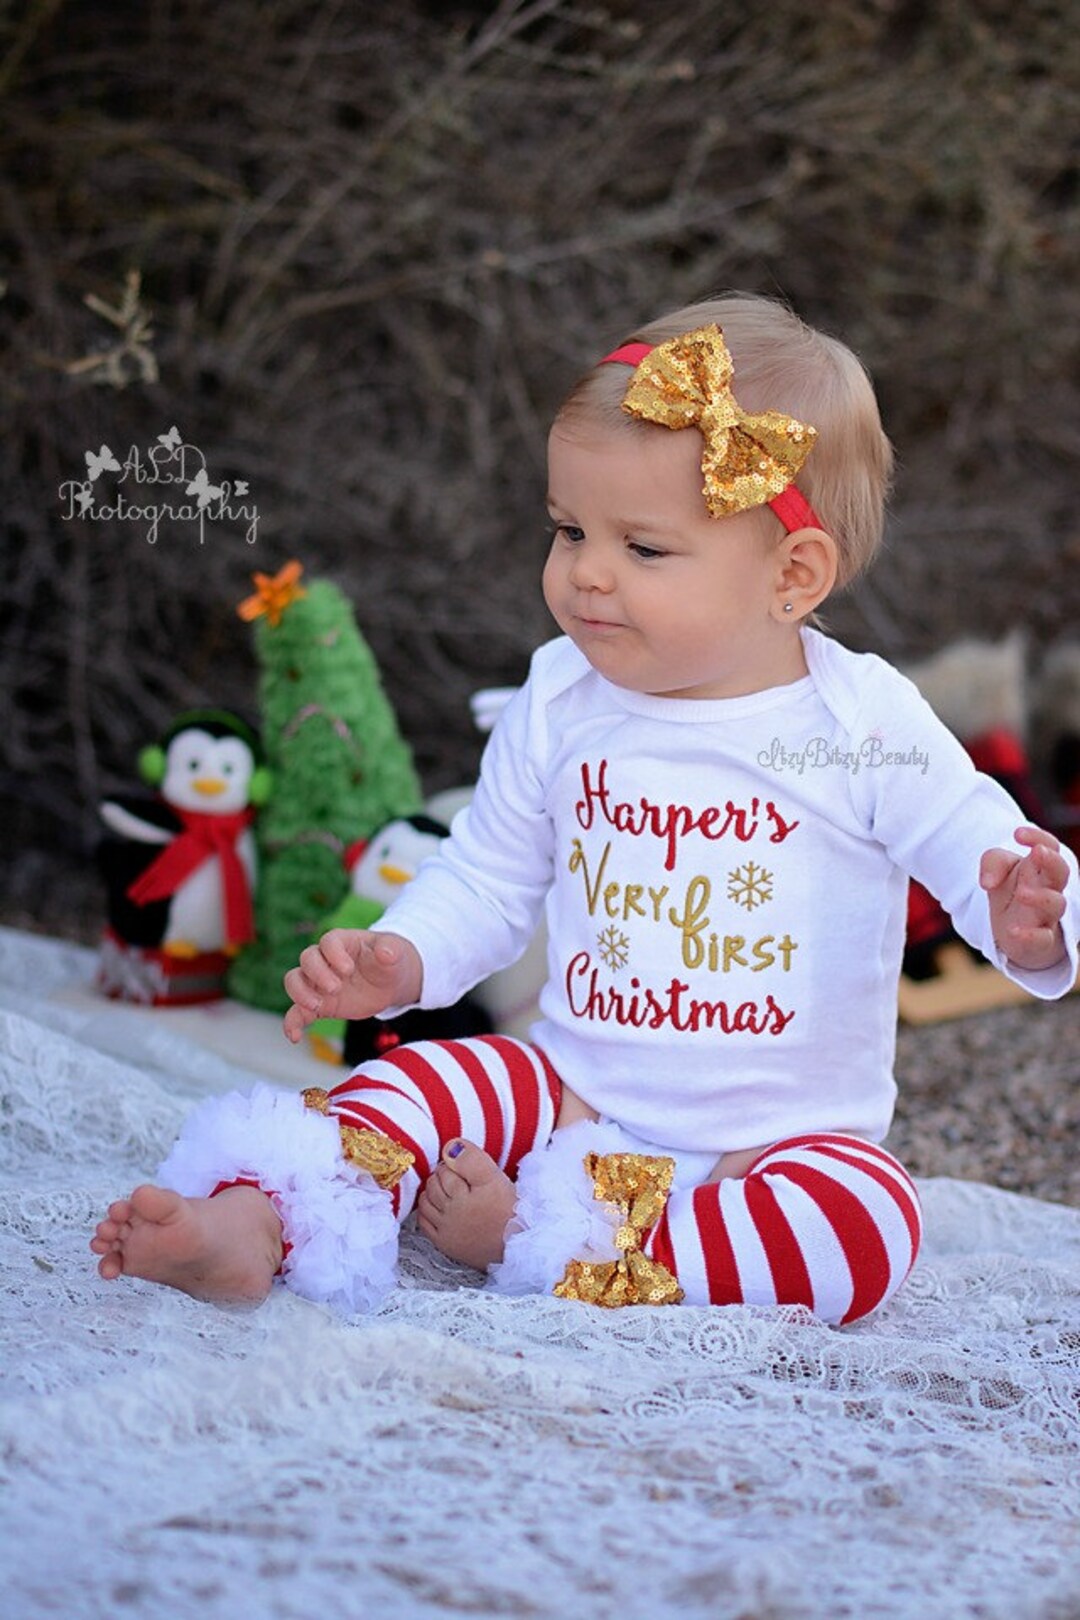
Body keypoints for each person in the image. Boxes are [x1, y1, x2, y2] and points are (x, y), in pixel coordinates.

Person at [92, 295, 1079, 1324]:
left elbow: (973, 843)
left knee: (866, 1226)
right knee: (426, 1082)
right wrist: (404, 957)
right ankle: (257, 1222)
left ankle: (545, 1241)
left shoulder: (855, 719)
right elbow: (484, 877)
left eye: (642, 549)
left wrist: (1021, 911)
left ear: (792, 574)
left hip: (775, 1141)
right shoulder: (563, 698)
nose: (585, 573)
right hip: (573, 1100)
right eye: (569, 530)